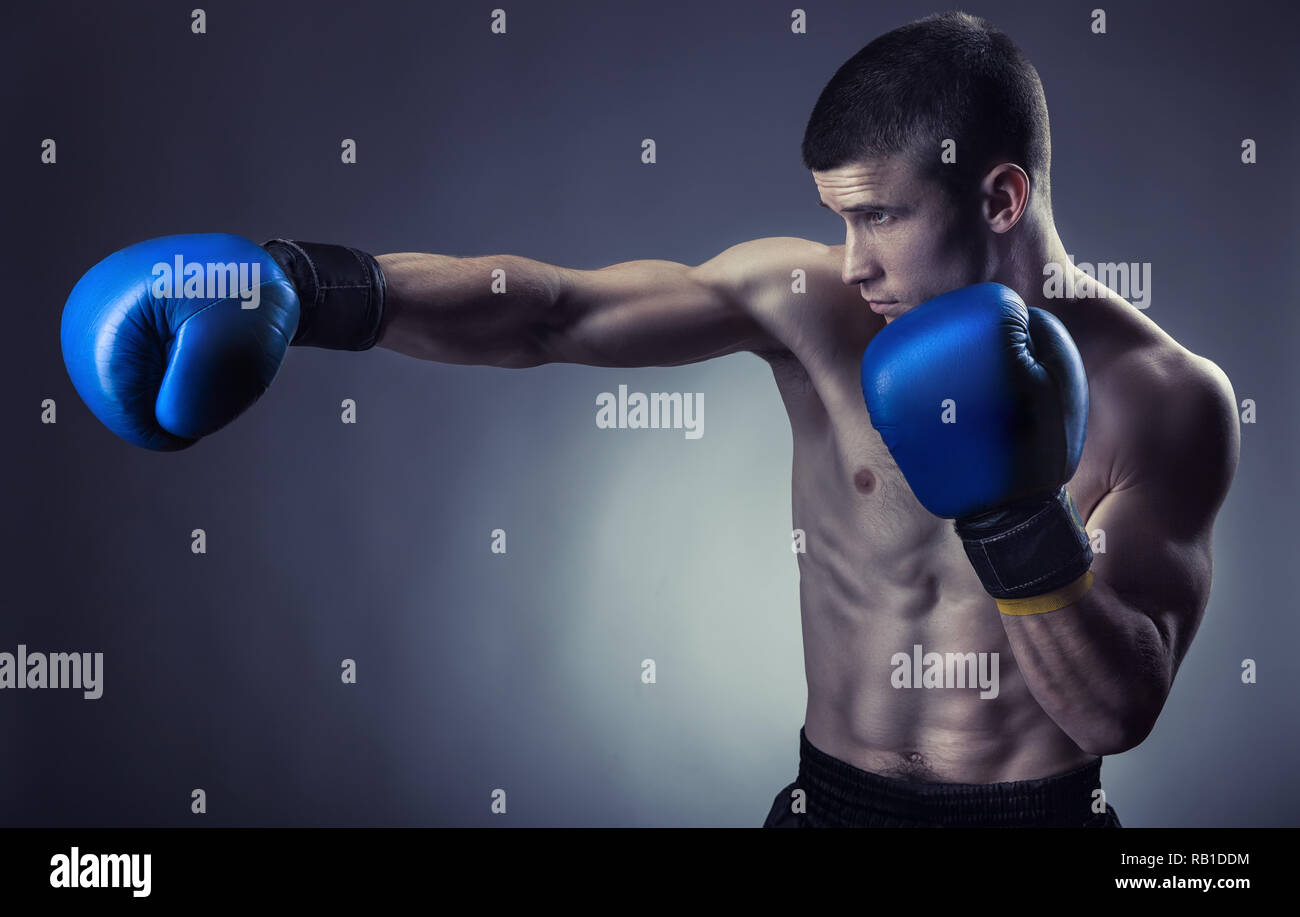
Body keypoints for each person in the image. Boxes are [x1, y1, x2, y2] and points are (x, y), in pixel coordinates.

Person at [61, 12, 1238, 827]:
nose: (850, 259)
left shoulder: (1169, 397)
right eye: (836, 218)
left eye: (877, 217)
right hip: (830, 805)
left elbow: (1117, 708)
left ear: (999, 195)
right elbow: (554, 314)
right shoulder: (818, 306)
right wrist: (306, 288)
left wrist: (1016, 511)